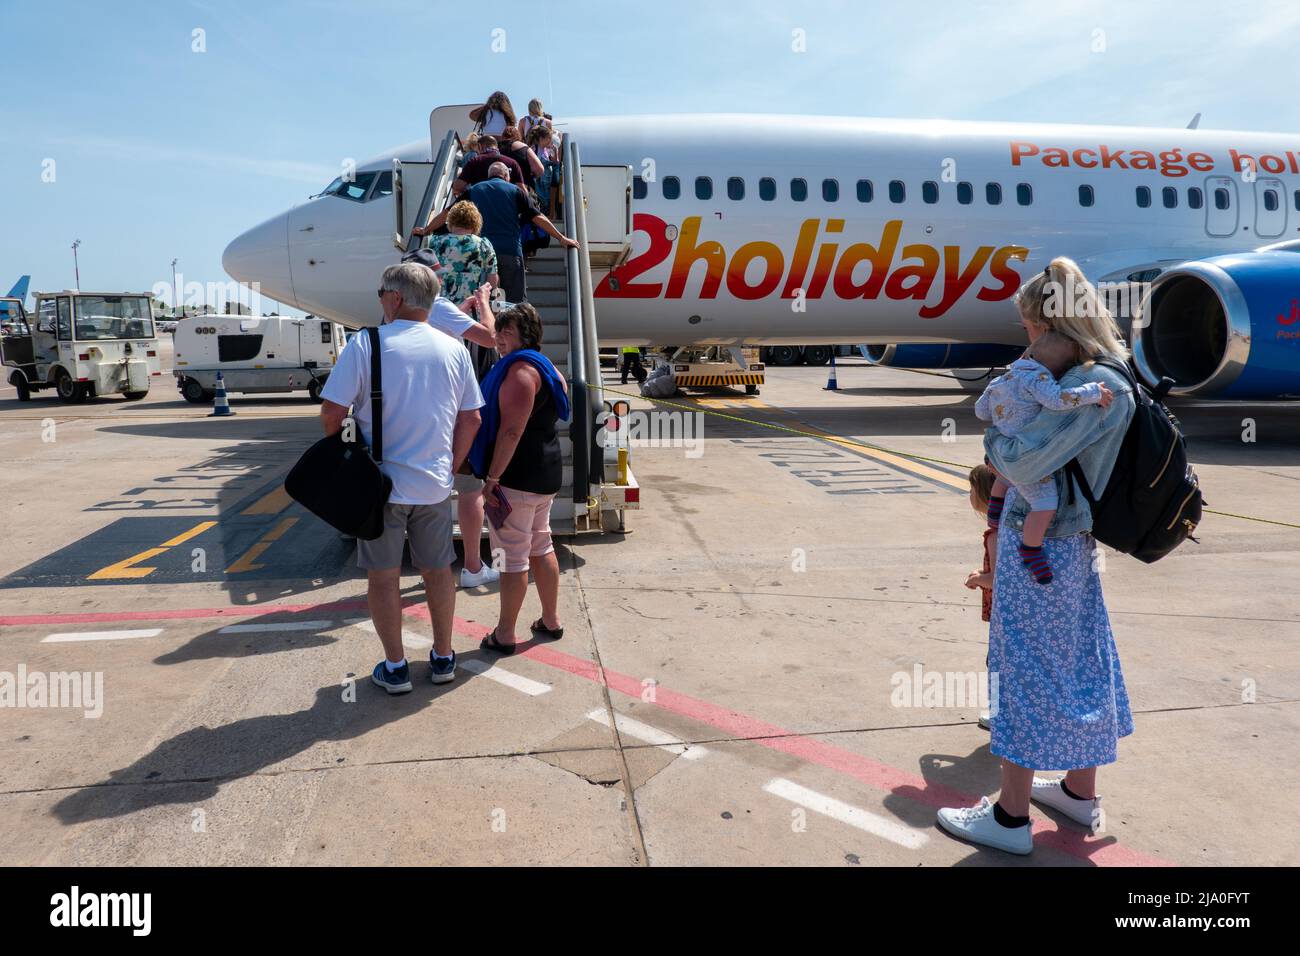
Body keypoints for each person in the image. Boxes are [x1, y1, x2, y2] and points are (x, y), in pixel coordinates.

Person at [936, 257, 1137, 855]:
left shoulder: (1089, 389)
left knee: (1020, 667)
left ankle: (1010, 818)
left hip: (1042, 545)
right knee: (1078, 659)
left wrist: (995, 436)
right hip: (1073, 544)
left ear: (1052, 327)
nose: (1024, 341)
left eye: (1028, 329)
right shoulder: (1104, 378)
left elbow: (1018, 463)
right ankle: (1077, 792)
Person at [319, 263, 484, 694]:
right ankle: (444, 657)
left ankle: (395, 668)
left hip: (380, 489)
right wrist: (451, 464)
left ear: (394, 298)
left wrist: (348, 459)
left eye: (381, 294)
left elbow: (332, 414)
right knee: (438, 573)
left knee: (383, 578)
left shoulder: (366, 344)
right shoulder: (455, 350)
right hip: (433, 486)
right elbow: (473, 419)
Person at [467, 303, 570, 653]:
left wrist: (492, 478)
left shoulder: (521, 373)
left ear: (526, 335)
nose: (498, 339)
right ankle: (551, 620)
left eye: (507, 333)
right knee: (541, 545)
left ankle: (505, 633)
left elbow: (511, 433)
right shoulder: (549, 368)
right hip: (545, 473)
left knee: (510, 558)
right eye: (499, 331)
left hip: (519, 478)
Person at [974, 330, 1114, 584]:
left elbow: (981, 411)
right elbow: (1058, 400)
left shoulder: (1003, 379)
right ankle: (1031, 547)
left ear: (1027, 353)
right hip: (1022, 456)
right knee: (1044, 504)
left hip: (999, 454)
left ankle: (995, 509)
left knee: (1006, 477)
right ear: (1054, 370)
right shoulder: (1038, 378)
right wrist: (1093, 391)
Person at [412, 204, 502, 588]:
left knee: (426, 497)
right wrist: (482, 304)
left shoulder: (392, 317)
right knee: (468, 491)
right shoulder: (482, 247)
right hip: (451, 405)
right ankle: (471, 567)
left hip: (415, 414)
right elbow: (491, 338)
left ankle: (430, 566)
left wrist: (457, 311)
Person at [425, 162, 578, 302]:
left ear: (489, 176)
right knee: (514, 303)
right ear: (506, 176)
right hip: (510, 252)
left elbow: (447, 212)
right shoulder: (515, 191)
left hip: (482, 255)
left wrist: (426, 230)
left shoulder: (474, 189)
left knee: (484, 300)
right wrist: (561, 237)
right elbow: (537, 217)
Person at [963, 463, 998, 731]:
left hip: (1003, 611)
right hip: (1007, 611)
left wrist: (977, 579)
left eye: (971, 489)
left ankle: (999, 714)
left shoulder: (994, 536)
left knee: (996, 661)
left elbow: (998, 578)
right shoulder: (1004, 530)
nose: (969, 495)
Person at [454, 135, 524, 190]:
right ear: (496, 146)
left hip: (479, 205)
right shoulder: (512, 162)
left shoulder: (475, 161)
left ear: (479, 146)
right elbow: (522, 189)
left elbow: (458, 186)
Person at [499, 125, 546, 193]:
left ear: (503, 136)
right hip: (523, 188)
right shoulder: (523, 147)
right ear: (518, 136)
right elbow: (539, 169)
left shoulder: (496, 147)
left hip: (501, 188)